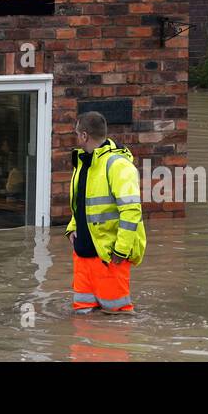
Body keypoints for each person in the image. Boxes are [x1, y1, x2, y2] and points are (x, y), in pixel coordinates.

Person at [67, 111, 146, 313]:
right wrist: (72, 229)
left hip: (110, 256)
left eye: (77, 134)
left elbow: (131, 211)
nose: (76, 138)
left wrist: (121, 250)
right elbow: (80, 202)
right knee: (83, 317)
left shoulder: (117, 165)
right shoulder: (83, 162)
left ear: (84, 135)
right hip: (84, 254)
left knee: (117, 318)